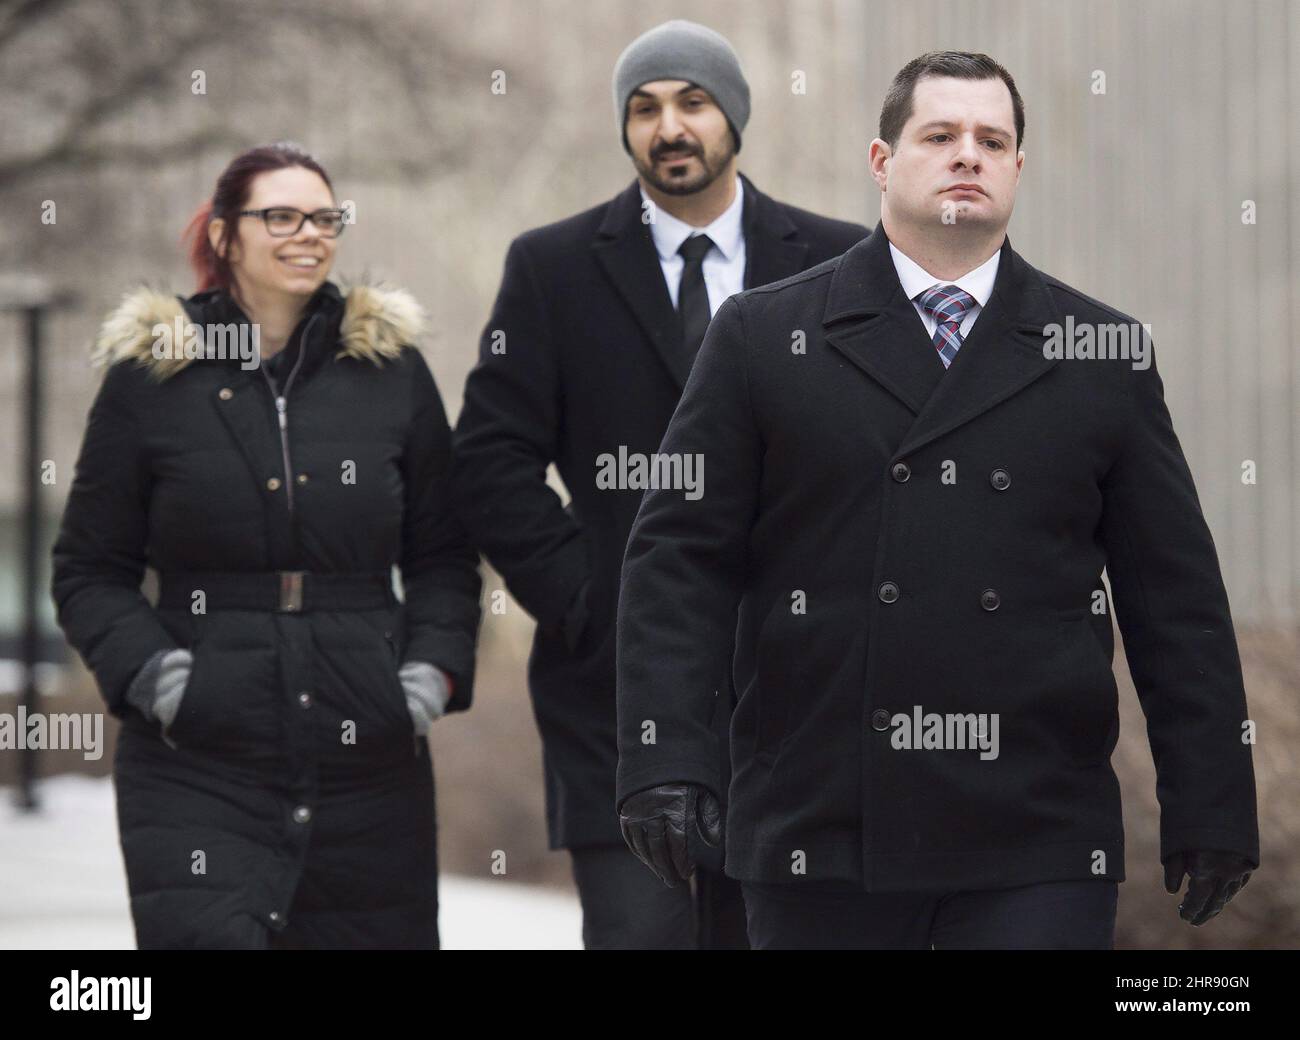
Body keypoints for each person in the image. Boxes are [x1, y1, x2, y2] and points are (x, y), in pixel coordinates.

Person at [614, 51, 1259, 949]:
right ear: (883, 162)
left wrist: (1214, 795)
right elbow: (679, 562)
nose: (969, 155)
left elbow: (1175, 597)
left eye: (992, 140)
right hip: (820, 825)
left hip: (1036, 833)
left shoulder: (1099, 352)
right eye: (941, 135)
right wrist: (665, 754)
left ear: (1018, 170)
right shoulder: (765, 336)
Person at [453, 20, 867, 949]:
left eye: (692, 102)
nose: (668, 127)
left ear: (735, 118)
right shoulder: (551, 269)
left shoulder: (840, 263)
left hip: (804, 697)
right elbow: (487, 458)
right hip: (616, 700)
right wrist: (588, 599)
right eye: (644, 109)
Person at [51, 141, 482, 949]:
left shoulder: (389, 372)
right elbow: (89, 569)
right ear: (224, 236)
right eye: (279, 216)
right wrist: (164, 682)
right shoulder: (153, 380)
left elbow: (444, 555)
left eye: (325, 218)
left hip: (367, 753)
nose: (309, 234)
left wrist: (423, 682)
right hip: (200, 754)